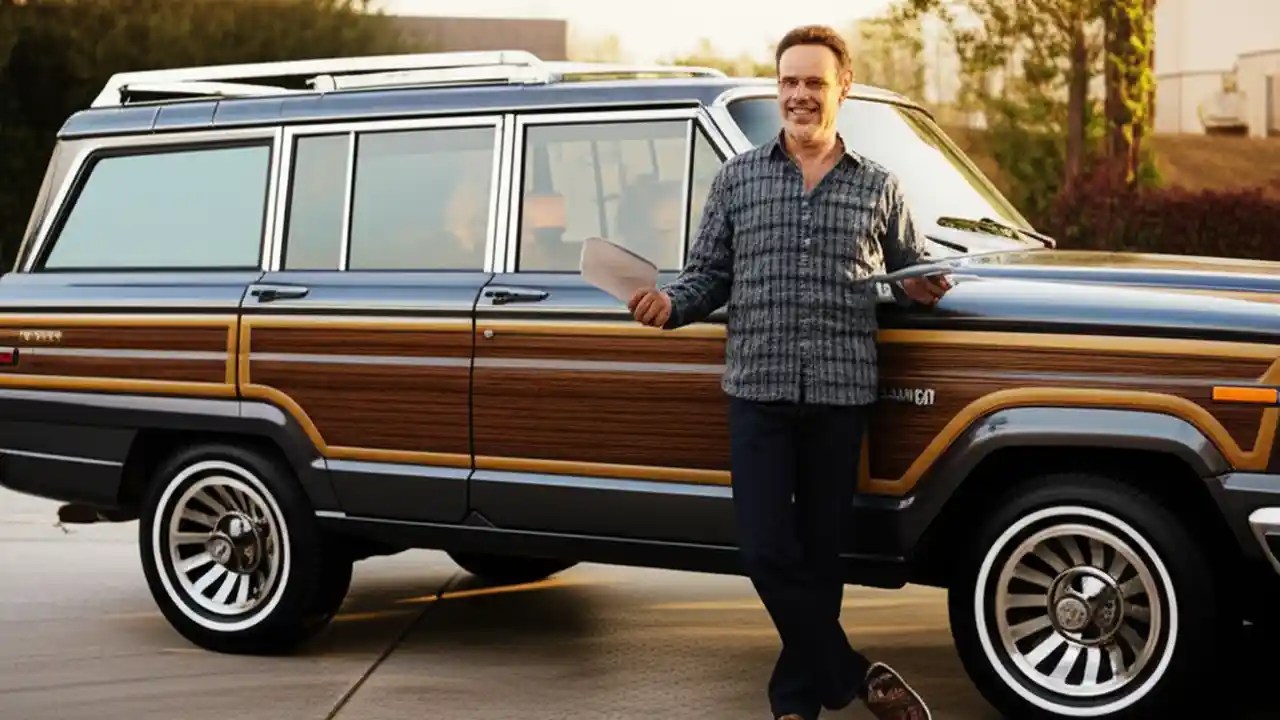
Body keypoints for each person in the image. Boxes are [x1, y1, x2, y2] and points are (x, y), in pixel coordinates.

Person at [627, 24, 950, 720]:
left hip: (840, 395)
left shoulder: (879, 186)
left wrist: (923, 287)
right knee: (768, 552)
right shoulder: (739, 179)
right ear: (780, 87)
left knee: (822, 559)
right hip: (759, 393)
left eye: (814, 83)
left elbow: (910, 269)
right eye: (789, 82)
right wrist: (668, 306)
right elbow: (706, 276)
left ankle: (794, 704)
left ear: (842, 90)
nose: (799, 95)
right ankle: (855, 678)